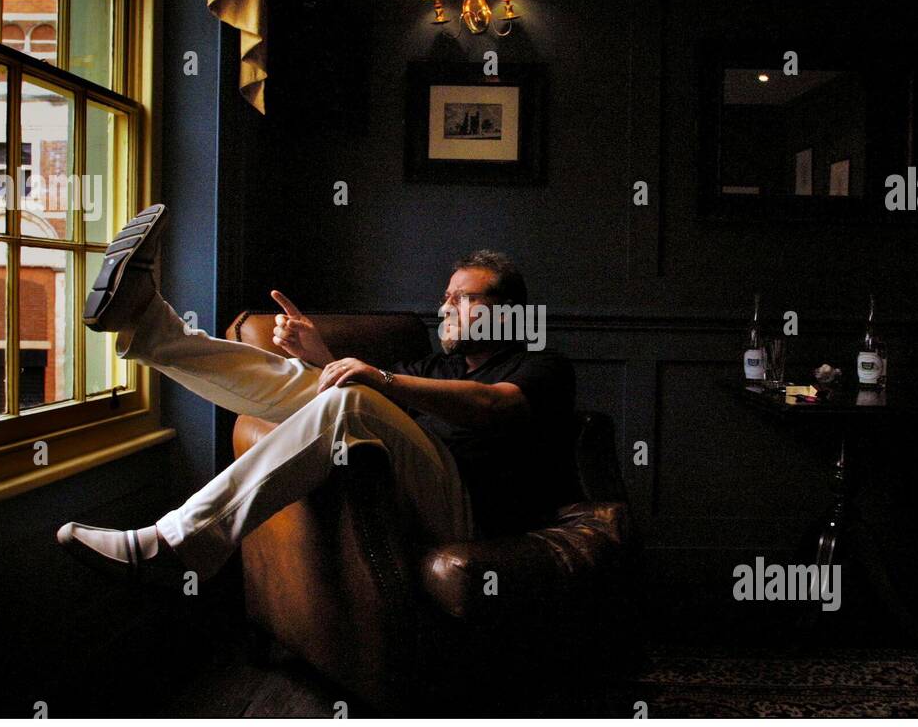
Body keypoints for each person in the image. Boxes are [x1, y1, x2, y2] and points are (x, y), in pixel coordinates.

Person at [58, 204, 575, 585]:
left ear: (507, 309)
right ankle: (152, 329)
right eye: (444, 298)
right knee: (332, 387)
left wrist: (377, 379)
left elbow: (493, 405)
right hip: (405, 483)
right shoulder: (434, 366)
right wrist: (320, 353)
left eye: (463, 299)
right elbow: (367, 404)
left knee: (352, 395)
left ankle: (177, 543)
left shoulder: (542, 365)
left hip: (471, 511)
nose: (445, 308)